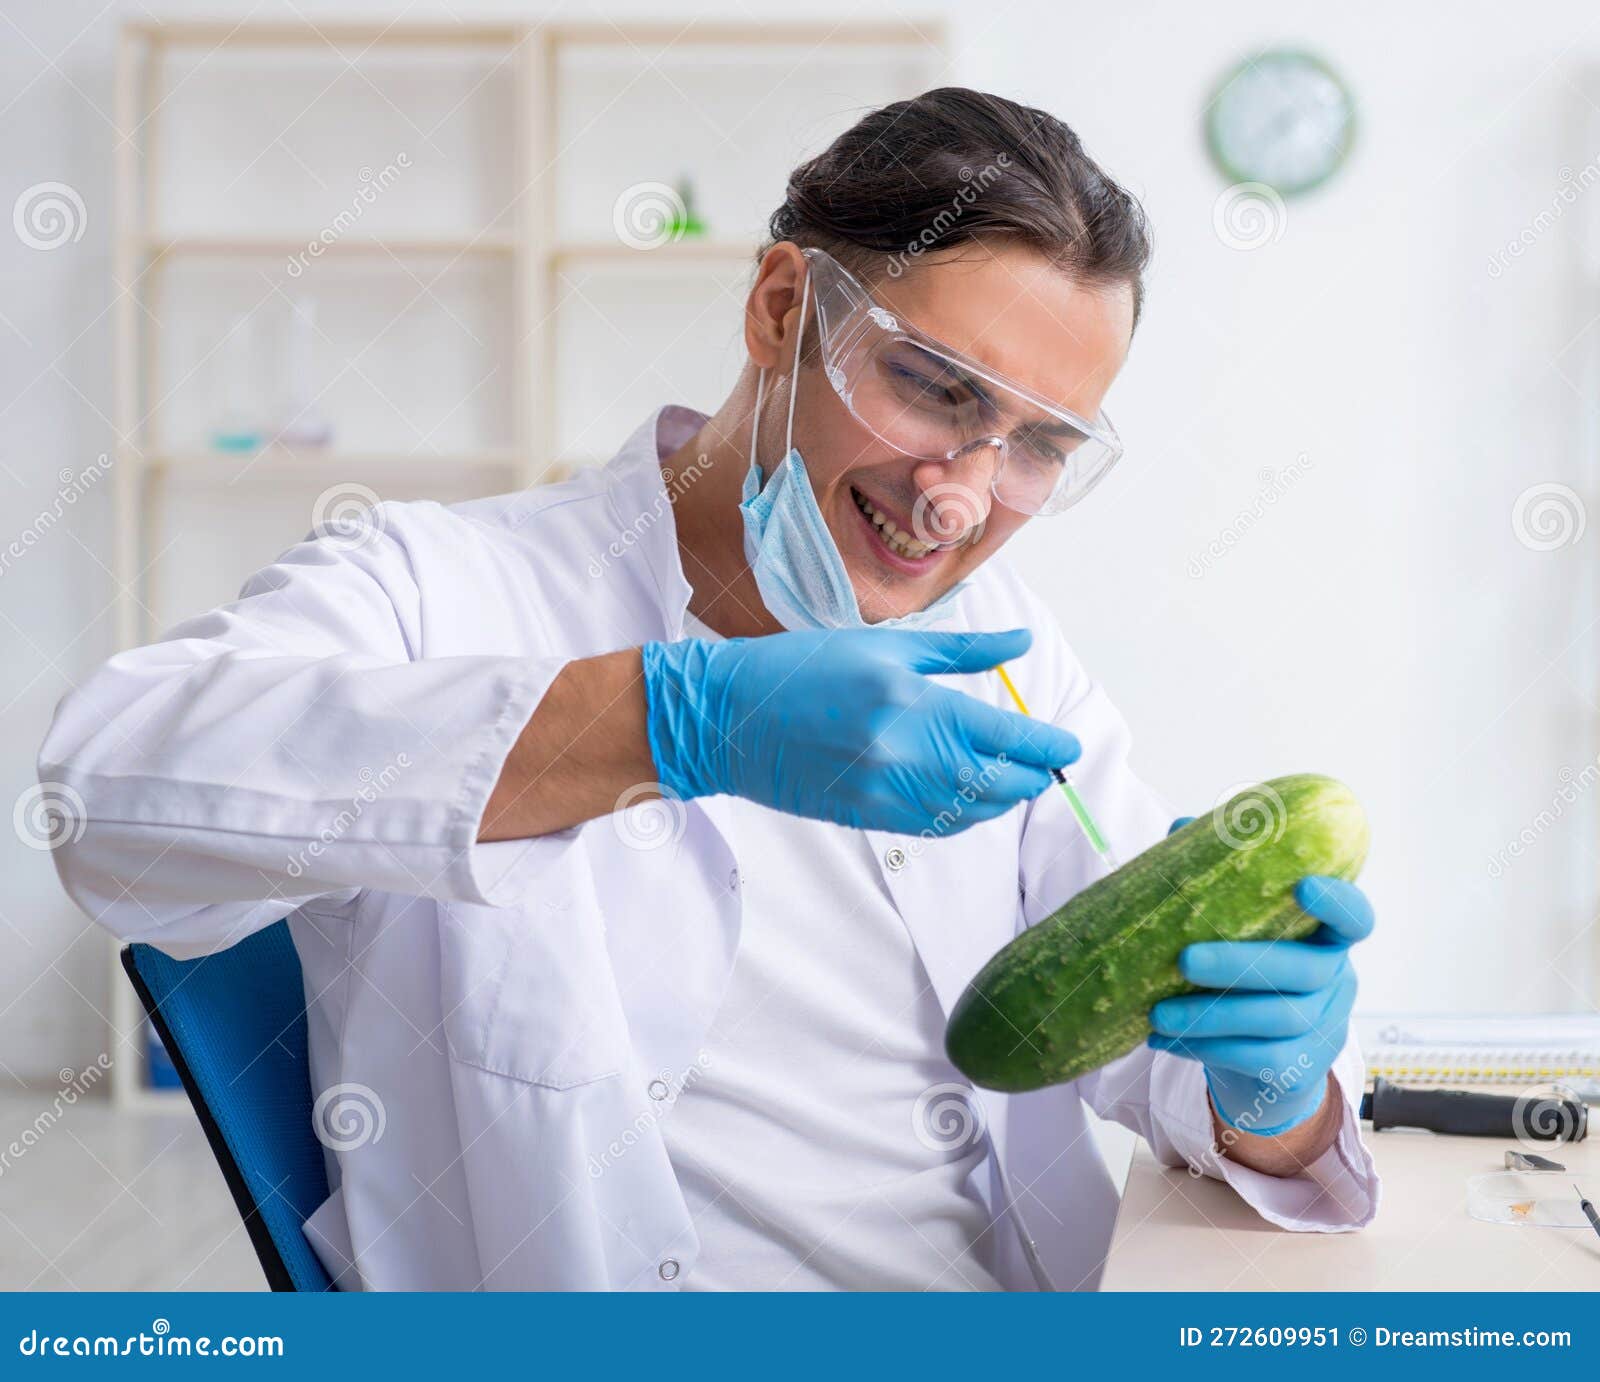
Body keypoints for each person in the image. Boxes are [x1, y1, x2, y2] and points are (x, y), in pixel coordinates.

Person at [39, 88, 1376, 1291]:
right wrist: (679, 719)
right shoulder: (439, 584)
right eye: (935, 387)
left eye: (1036, 445)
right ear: (783, 308)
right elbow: (101, 794)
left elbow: (1148, 1032)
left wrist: (1276, 1088)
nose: (960, 492)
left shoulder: (1010, 647)